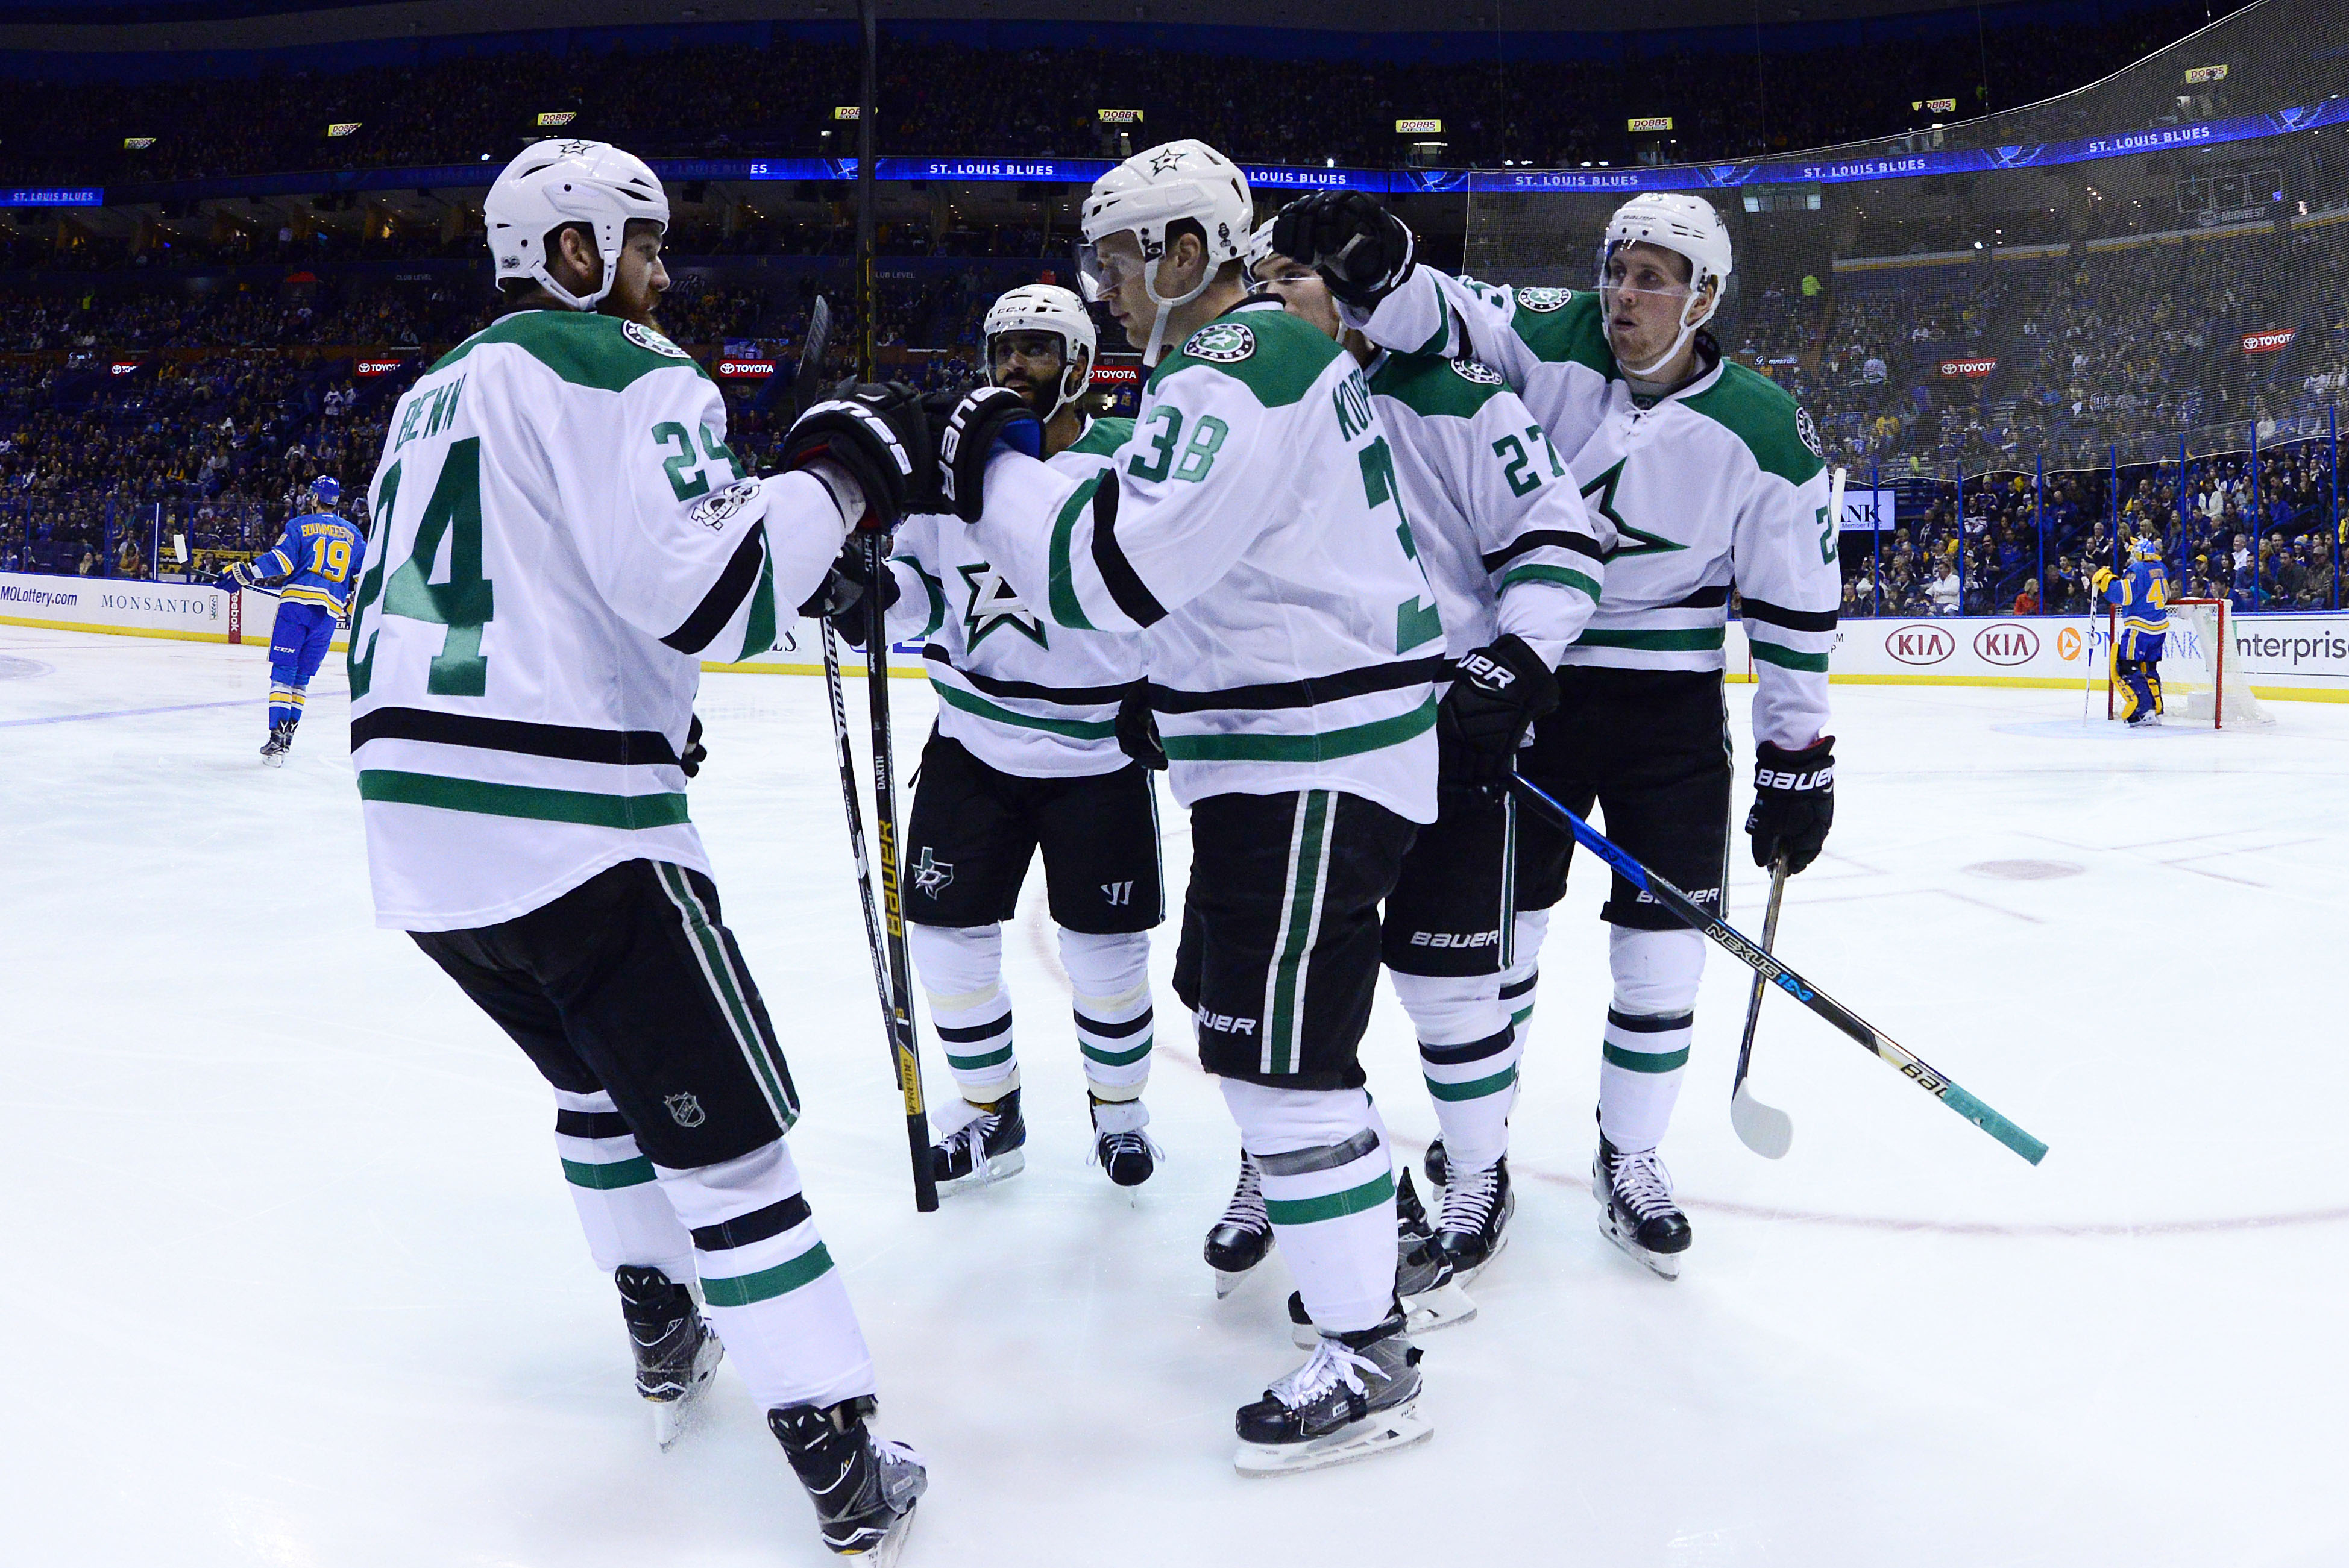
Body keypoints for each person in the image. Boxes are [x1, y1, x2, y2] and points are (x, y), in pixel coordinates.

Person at [342, 139, 928, 1560]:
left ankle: (662, 1331)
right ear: (573, 250)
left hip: (418, 836)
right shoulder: (615, 362)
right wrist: (838, 472)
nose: (664, 278)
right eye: (645, 245)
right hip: (576, 831)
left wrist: (657, 702)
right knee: (728, 1151)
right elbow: (708, 598)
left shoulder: (430, 396)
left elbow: (567, 589)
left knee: (598, 1091)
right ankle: (839, 1450)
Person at [932, 139, 1441, 1474]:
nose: (1100, 288)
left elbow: (1104, 577)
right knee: (1264, 1040)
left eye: (1114, 258)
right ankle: (1358, 1242)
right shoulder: (1246, 362)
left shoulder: (1235, 366)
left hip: (1309, 759)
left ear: (1180, 253)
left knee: (1276, 1060)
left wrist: (992, 466)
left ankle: (1369, 1346)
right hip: (1285, 753)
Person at [1276, 188, 1839, 1281]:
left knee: (1662, 954)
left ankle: (1628, 1157)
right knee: (1501, 941)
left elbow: (1793, 613)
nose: (1622, 296)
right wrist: (1383, 268)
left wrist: (1798, 759)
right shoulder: (1552, 335)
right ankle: (1476, 1159)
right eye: (1616, 271)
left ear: (1705, 296)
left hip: (1669, 717)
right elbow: (1449, 316)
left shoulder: (1768, 432)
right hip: (1529, 687)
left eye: (1651, 280)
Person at [1247, 221, 1612, 1293]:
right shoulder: (1239, 409)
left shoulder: (1452, 393)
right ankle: (1275, 1163)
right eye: (1257, 281)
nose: (1271, 297)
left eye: (1292, 276)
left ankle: (1478, 1172)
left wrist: (1512, 664)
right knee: (1292, 983)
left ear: (1349, 295)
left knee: (1447, 981)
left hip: (1436, 728)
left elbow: (1556, 547)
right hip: (1300, 737)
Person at [826, 283, 1165, 1193]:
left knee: (1104, 958)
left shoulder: (1131, 463)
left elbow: (1174, 592)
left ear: (1084, 366)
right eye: (1003, 346)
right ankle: (989, 1113)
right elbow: (926, 587)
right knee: (944, 939)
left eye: (1038, 348)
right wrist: (871, 594)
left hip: (1098, 753)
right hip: (974, 745)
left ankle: (1121, 1115)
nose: (1015, 364)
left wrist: (1169, 685)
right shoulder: (949, 471)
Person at [214, 475, 364, 765]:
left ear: (314, 498)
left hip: (296, 609)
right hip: (328, 616)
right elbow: (365, 573)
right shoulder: (355, 534)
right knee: (301, 680)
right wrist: (350, 599)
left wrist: (243, 573)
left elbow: (281, 562)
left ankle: (276, 741)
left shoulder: (299, 526)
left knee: (284, 673)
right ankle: (287, 739)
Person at [2098, 535, 2170, 726]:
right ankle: (2156, 707)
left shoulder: (2136, 570)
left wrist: (2106, 581)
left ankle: (2142, 710)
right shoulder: (2161, 568)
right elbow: (2168, 594)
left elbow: (2123, 595)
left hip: (2140, 627)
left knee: (2126, 665)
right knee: (2148, 667)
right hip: (2159, 627)